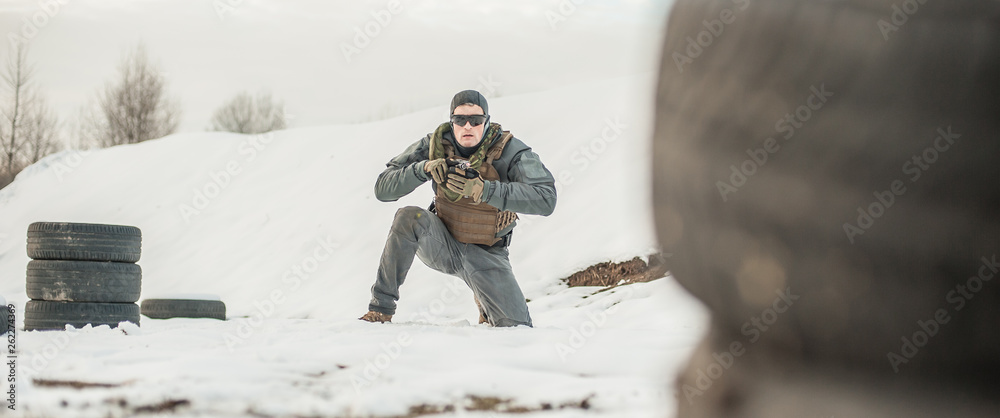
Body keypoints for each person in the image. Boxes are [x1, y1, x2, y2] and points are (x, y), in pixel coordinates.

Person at [359, 90, 557, 327]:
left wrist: (485, 190)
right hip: (442, 243)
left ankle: (484, 298)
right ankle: (380, 310)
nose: (468, 126)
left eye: (476, 120)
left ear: (487, 121)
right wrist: (422, 169)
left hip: (487, 253)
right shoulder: (434, 144)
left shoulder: (511, 151)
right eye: (460, 119)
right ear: (451, 121)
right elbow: (383, 188)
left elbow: (546, 199)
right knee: (410, 216)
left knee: (516, 330)